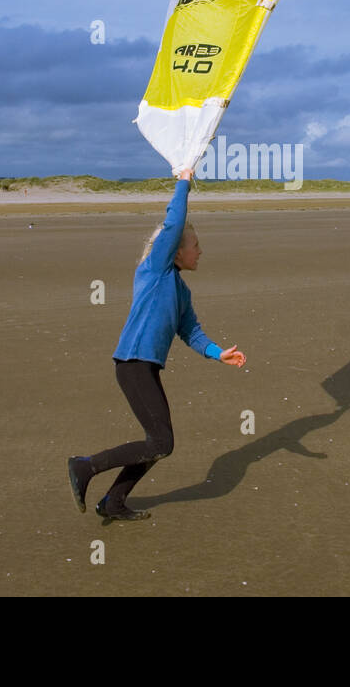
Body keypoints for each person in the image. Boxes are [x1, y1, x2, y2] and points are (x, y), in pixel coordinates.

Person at [68, 169, 247, 521]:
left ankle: (113, 502)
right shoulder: (156, 269)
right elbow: (175, 220)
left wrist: (218, 353)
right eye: (195, 245)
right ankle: (85, 466)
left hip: (145, 368)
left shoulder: (181, 290)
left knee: (158, 442)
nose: (201, 251)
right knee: (161, 443)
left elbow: (191, 332)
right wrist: (184, 180)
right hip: (132, 363)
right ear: (176, 251)